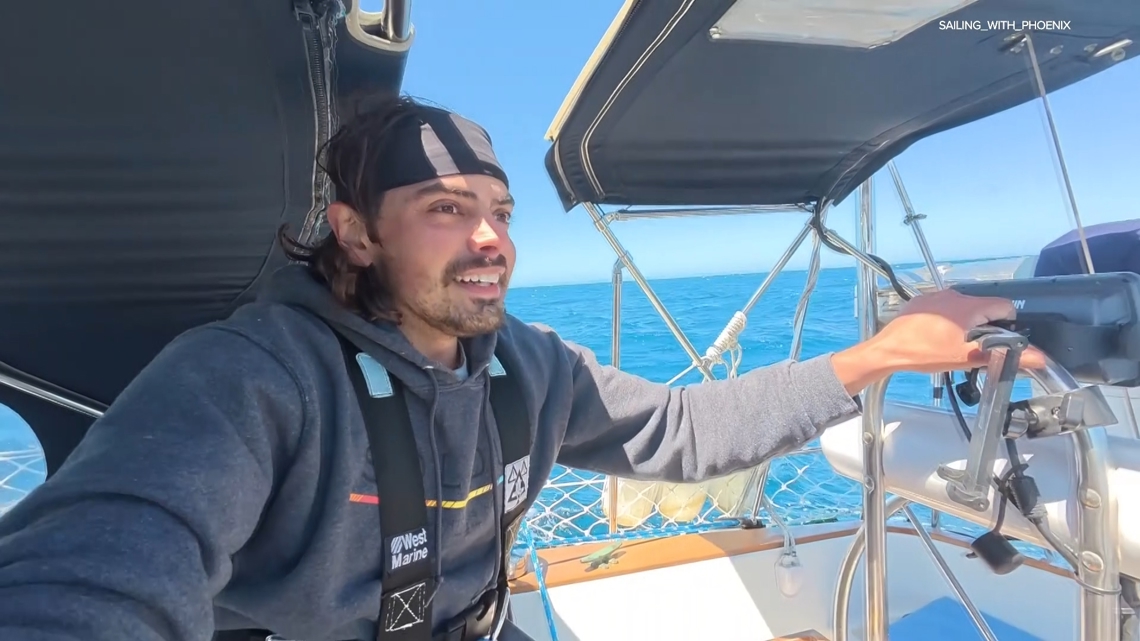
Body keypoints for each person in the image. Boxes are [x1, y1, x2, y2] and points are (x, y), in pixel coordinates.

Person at [0, 95, 1041, 641]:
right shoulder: (248, 378)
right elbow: (106, 557)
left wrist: (881, 354)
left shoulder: (529, 367)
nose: (491, 237)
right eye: (446, 209)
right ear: (354, 232)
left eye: (498, 209)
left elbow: (683, 431)